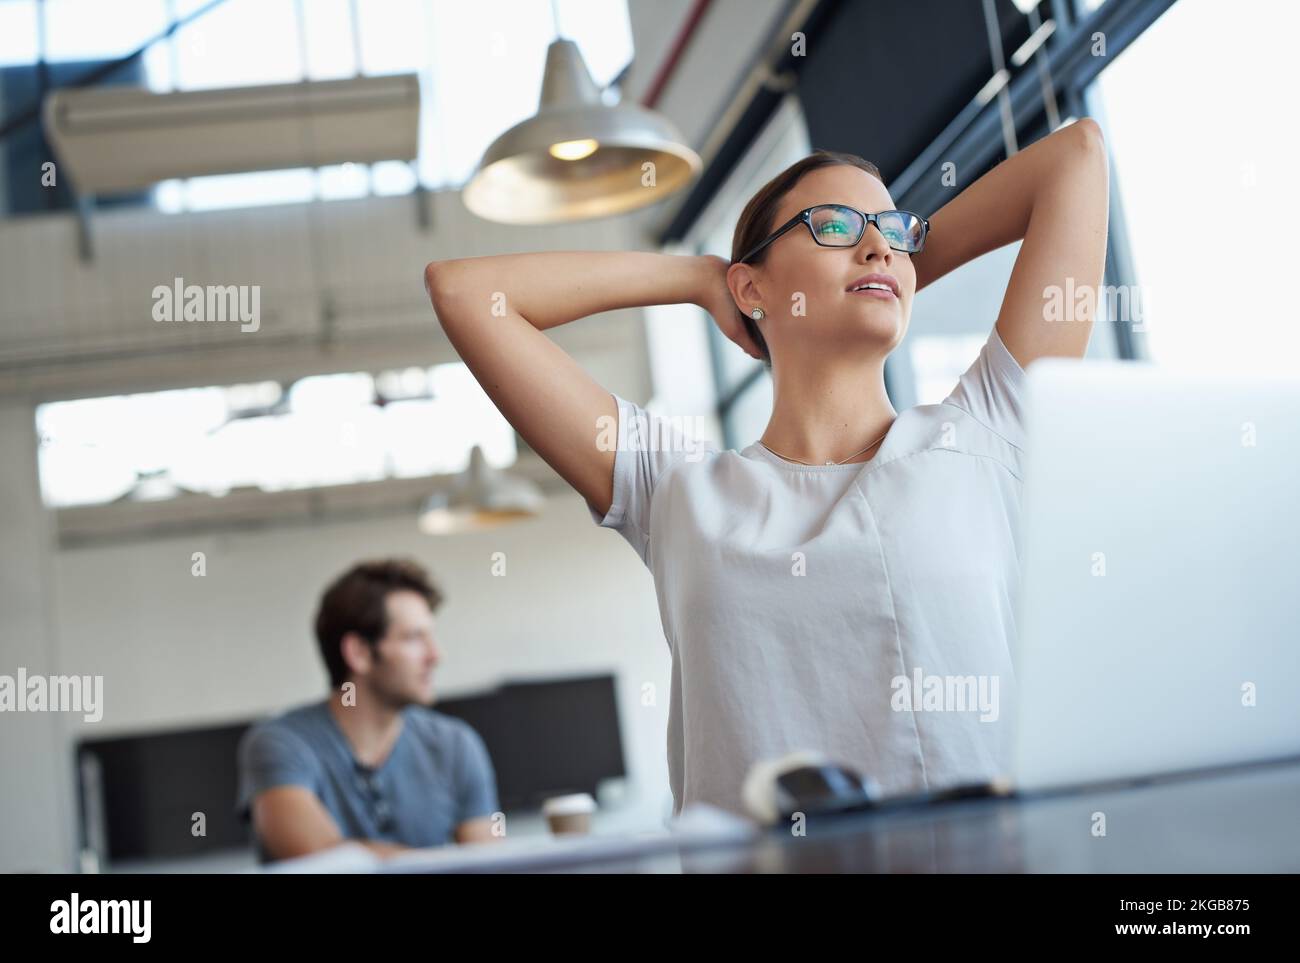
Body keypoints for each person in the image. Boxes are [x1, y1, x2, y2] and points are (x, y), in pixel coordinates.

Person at [422, 119, 1109, 817]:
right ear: (750, 286)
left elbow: (1076, 154)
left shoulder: (986, 430)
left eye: (894, 229)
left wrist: (884, 268)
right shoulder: (676, 489)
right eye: (833, 225)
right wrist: (699, 276)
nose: (876, 242)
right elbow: (466, 294)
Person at [237, 558, 499, 860]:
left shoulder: (456, 744)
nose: (435, 655)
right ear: (359, 653)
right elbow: (324, 863)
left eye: (431, 636)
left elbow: (491, 865)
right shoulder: (281, 744)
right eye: (414, 638)